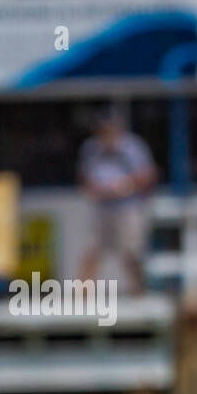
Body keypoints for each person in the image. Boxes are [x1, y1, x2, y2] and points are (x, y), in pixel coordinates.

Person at [77, 111, 157, 293]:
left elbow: (148, 175)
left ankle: (139, 293)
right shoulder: (91, 148)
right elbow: (84, 177)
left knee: (131, 252)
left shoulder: (134, 147)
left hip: (127, 208)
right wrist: (99, 190)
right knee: (92, 249)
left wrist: (125, 186)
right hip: (101, 208)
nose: (106, 135)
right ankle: (81, 296)